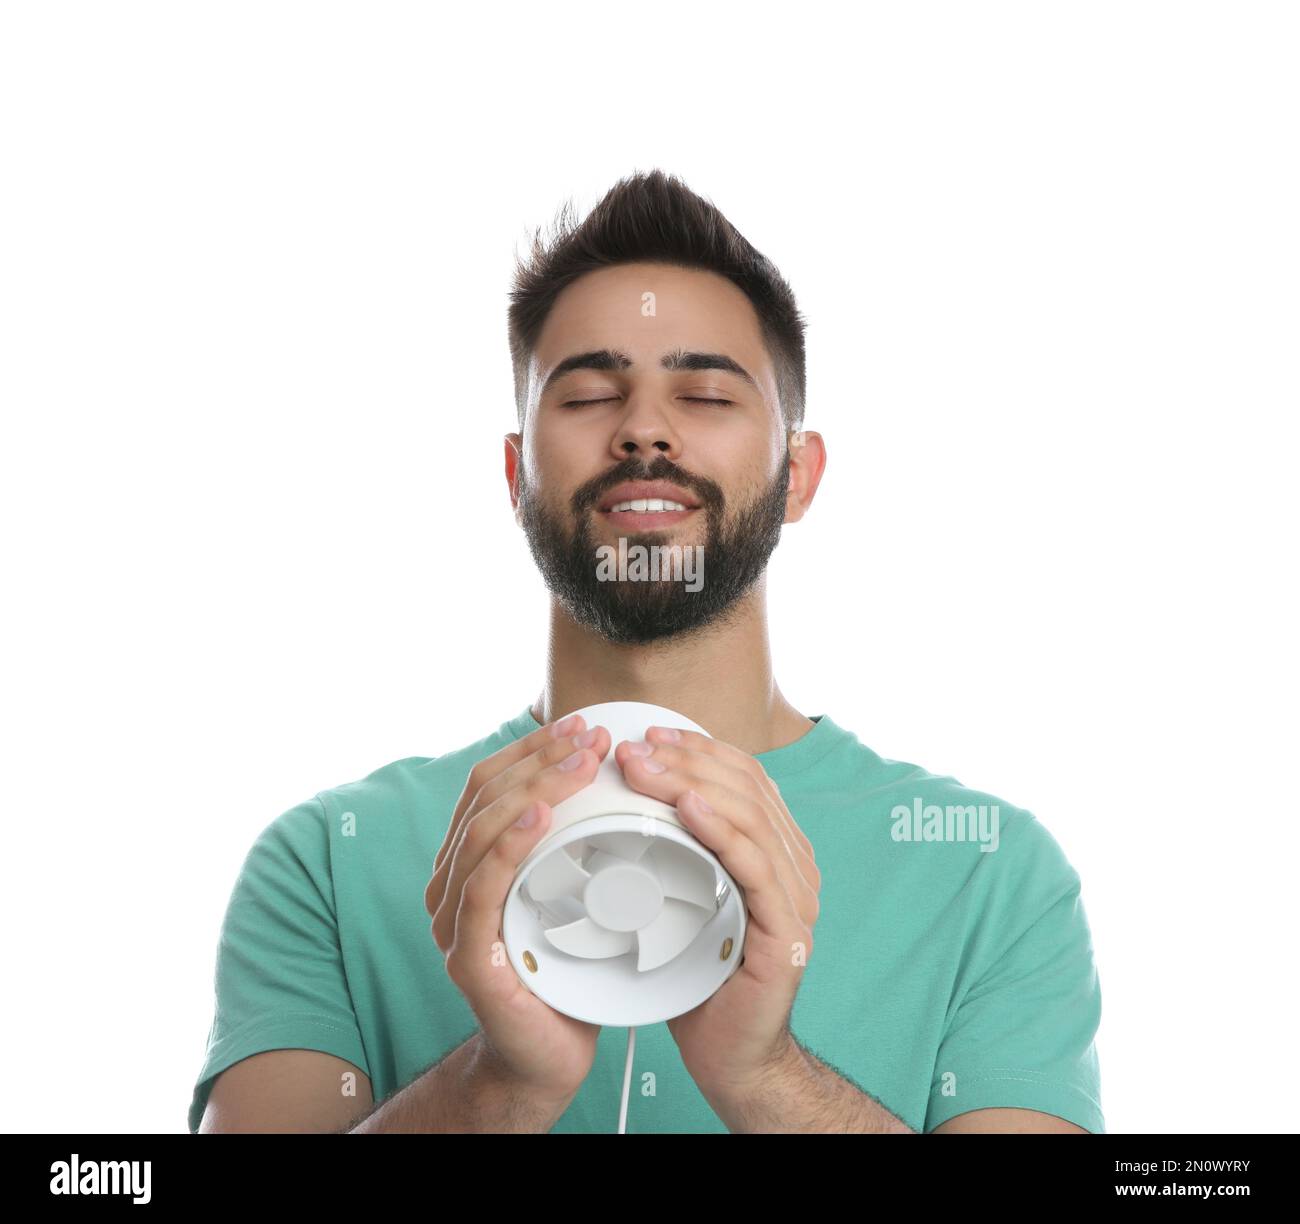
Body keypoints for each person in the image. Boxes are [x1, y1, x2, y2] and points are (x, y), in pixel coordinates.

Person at [189, 169, 1104, 1134]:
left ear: (798, 475)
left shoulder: (990, 875)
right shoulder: (330, 863)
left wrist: (765, 1076)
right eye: (588, 394)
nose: (644, 431)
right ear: (516, 473)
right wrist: (501, 1084)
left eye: (704, 393)